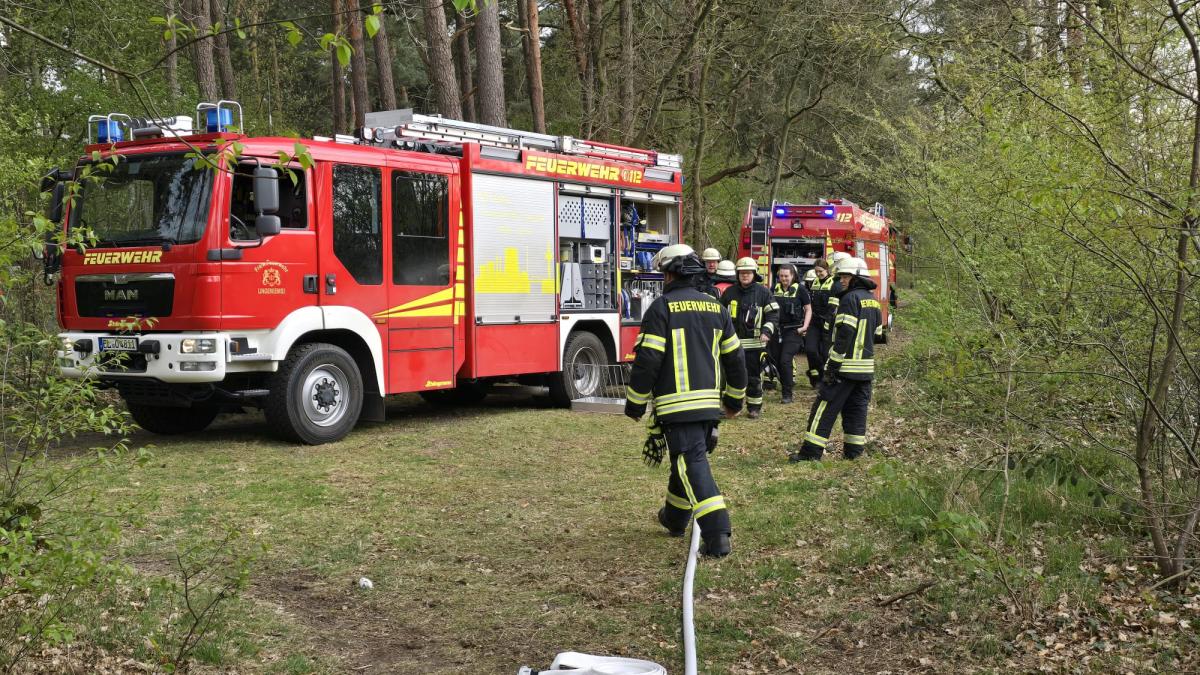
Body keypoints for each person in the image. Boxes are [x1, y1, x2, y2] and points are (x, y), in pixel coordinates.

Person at [625, 244, 748, 558]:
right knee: (686, 460)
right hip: (709, 406)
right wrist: (735, 400)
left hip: (678, 407)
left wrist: (635, 403)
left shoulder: (661, 308)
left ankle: (718, 532)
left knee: (691, 464)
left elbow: (648, 361)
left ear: (668, 274)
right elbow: (735, 360)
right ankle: (676, 518)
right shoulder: (716, 308)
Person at [791, 256, 882, 462]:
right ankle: (854, 453)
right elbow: (878, 334)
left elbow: (844, 334)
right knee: (856, 410)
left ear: (856, 278)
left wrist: (832, 365)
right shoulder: (873, 300)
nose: (841, 280)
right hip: (865, 370)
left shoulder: (849, 299)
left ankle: (810, 453)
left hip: (845, 367)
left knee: (823, 408)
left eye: (845, 276)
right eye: (841, 276)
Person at [720, 257, 778, 419]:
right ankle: (731, 408)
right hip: (732, 344)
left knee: (753, 377)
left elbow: (773, 315)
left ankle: (754, 407)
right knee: (731, 377)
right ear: (737, 274)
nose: (745, 275)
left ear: (754, 274)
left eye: (748, 273)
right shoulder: (729, 293)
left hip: (754, 344)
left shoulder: (763, 293)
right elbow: (720, 315)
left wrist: (767, 330)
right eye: (742, 273)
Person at [768, 264, 812, 404]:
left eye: (786, 276)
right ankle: (785, 384)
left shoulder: (801, 290)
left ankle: (787, 394)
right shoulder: (774, 288)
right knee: (776, 360)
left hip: (794, 331)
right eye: (781, 276)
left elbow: (808, 309)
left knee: (785, 360)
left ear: (793, 276)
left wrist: (804, 327)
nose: (784, 278)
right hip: (776, 330)